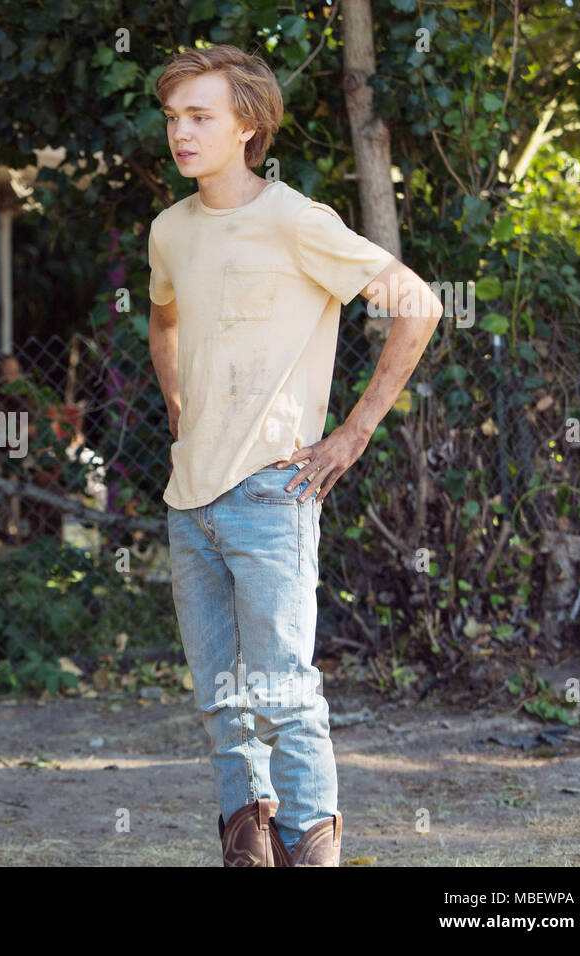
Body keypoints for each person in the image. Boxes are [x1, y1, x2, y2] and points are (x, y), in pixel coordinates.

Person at [146, 46, 443, 866]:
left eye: (200, 116)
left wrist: (353, 433)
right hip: (188, 499)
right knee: (220, 700)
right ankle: (249, 842)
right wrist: (177, 401)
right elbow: (163, 320)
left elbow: (417, 306)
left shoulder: (296, 220)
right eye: (173, 117)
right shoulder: (169, 230)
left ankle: (312, 846)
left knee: (281, 691)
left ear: (248, 126)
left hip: (273, 491)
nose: (180, 131)